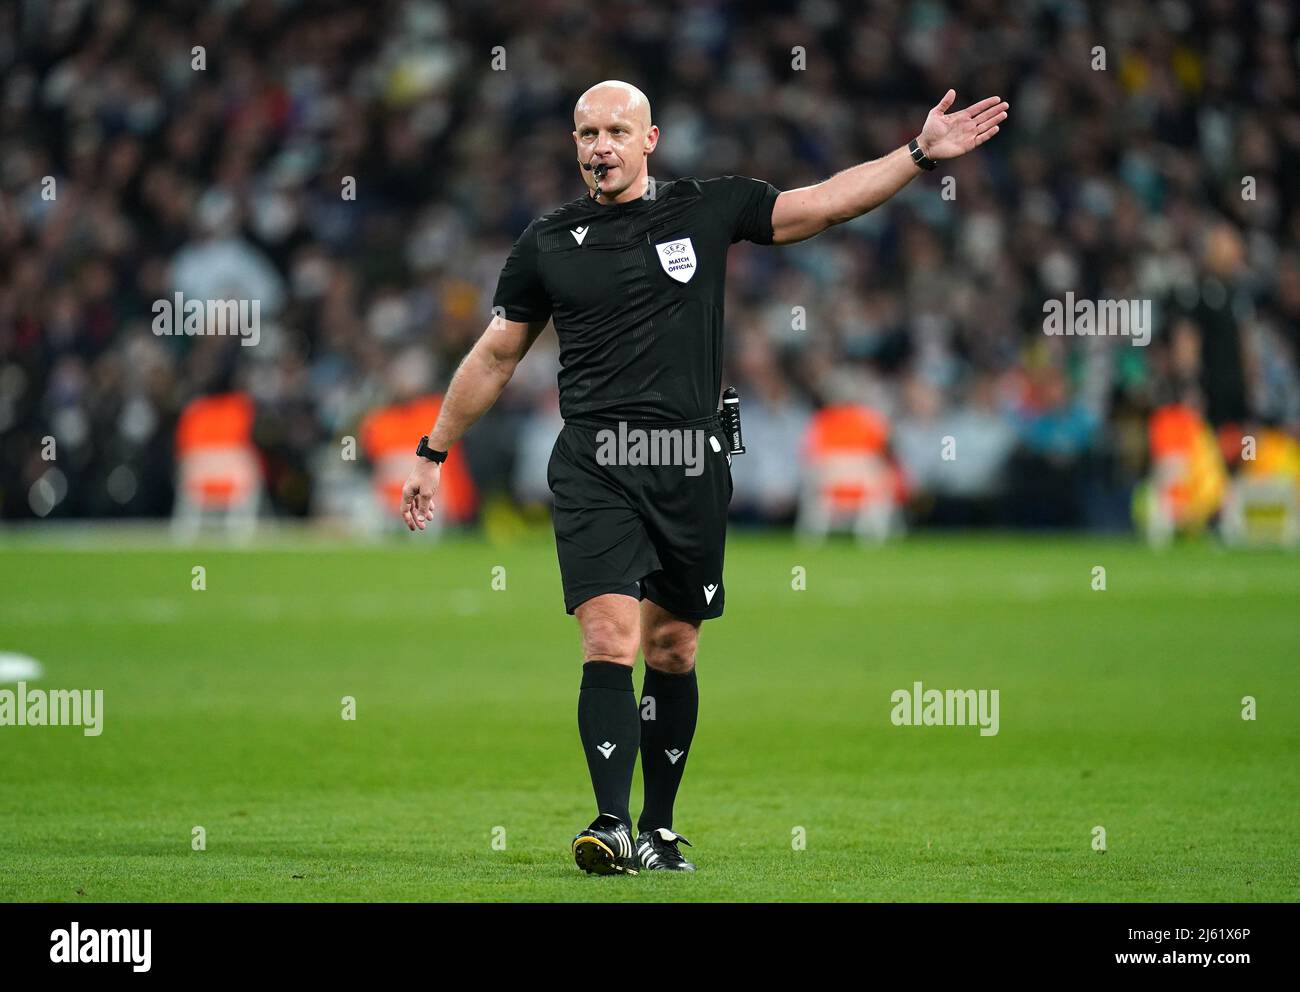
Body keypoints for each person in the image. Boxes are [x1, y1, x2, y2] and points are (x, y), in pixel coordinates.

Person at [401, 80, 1008, 875]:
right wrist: (433, 451)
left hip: (689, 463)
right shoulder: (547, 242)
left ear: (649, 140)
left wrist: (919, 153)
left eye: (617, 131)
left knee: (674, 646)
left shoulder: (709, 208)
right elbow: (496, 355)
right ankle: (611, 824)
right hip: (596, 464)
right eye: (587, 133)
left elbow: (824, 204)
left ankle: (657, 829)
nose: (600, 146)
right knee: (609, 635)